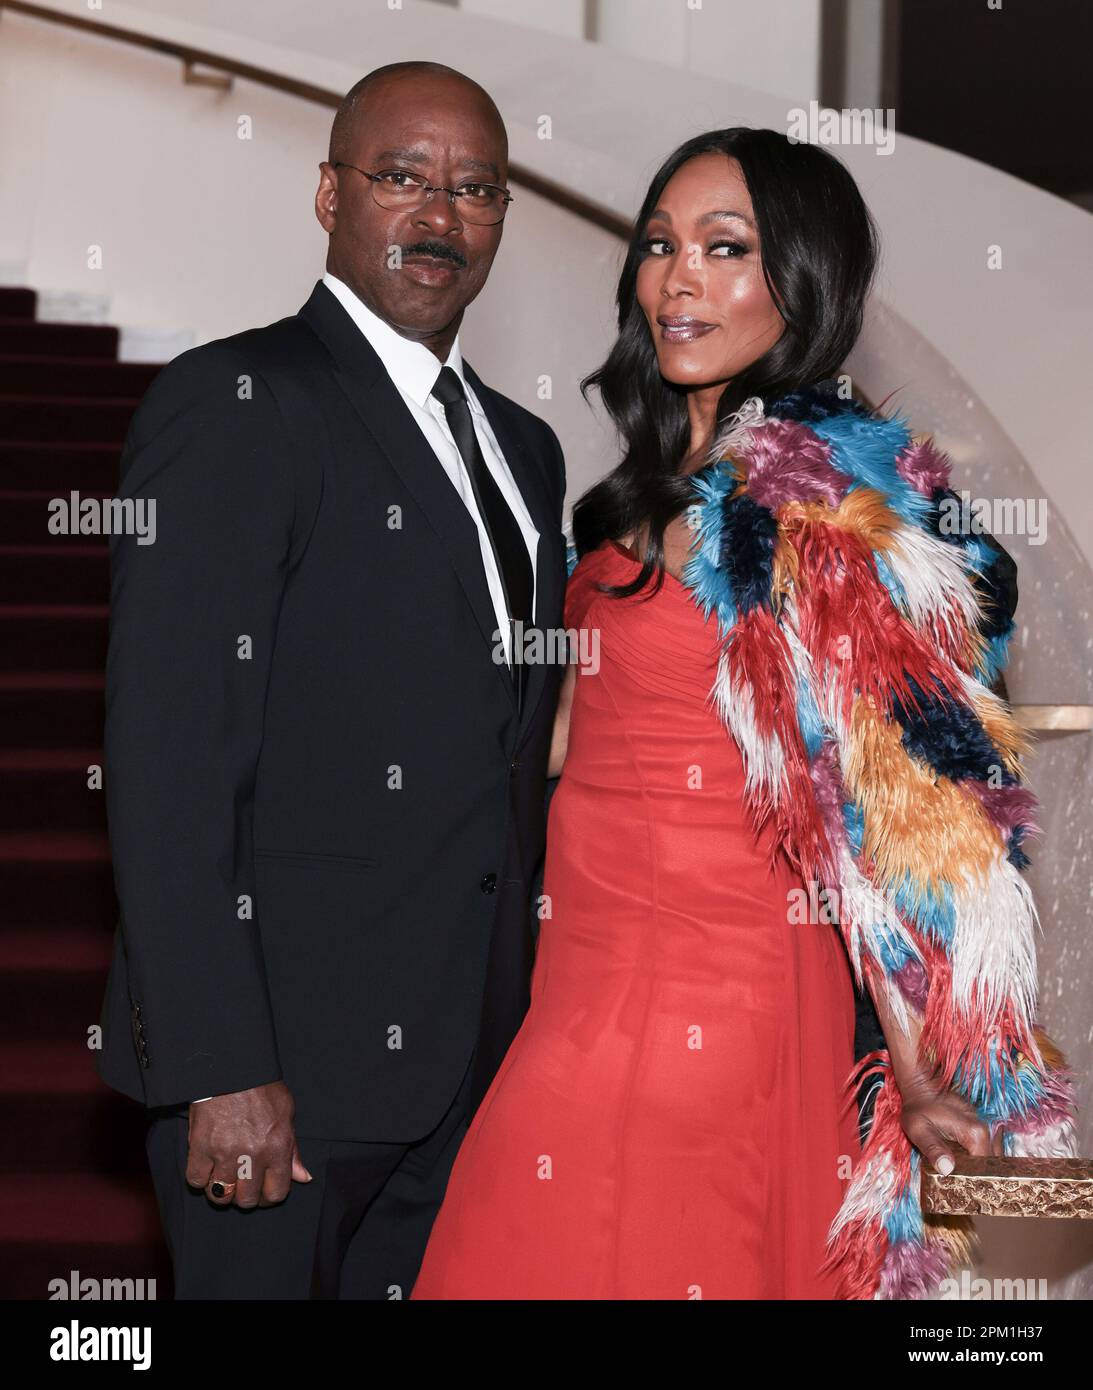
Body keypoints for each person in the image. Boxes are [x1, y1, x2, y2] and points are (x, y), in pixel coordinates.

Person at [411, 128, 1077, 1300]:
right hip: (581, 966)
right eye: (661, 245)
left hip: (715, 989)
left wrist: (919, 1072)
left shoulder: (813, 508)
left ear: (803, 282)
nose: (678, 277)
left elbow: (888, 808)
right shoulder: (642, 481)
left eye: (726, 249)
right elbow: (569, 736)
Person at [96, 61, 568, 1299]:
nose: (439, 214)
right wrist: (217, 1065)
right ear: (327, 194)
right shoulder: (239, 401)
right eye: (401, 177)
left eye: (475, 189)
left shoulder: (526, 451)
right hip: (279, 1088)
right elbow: (167, 758)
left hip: (463, 1074)